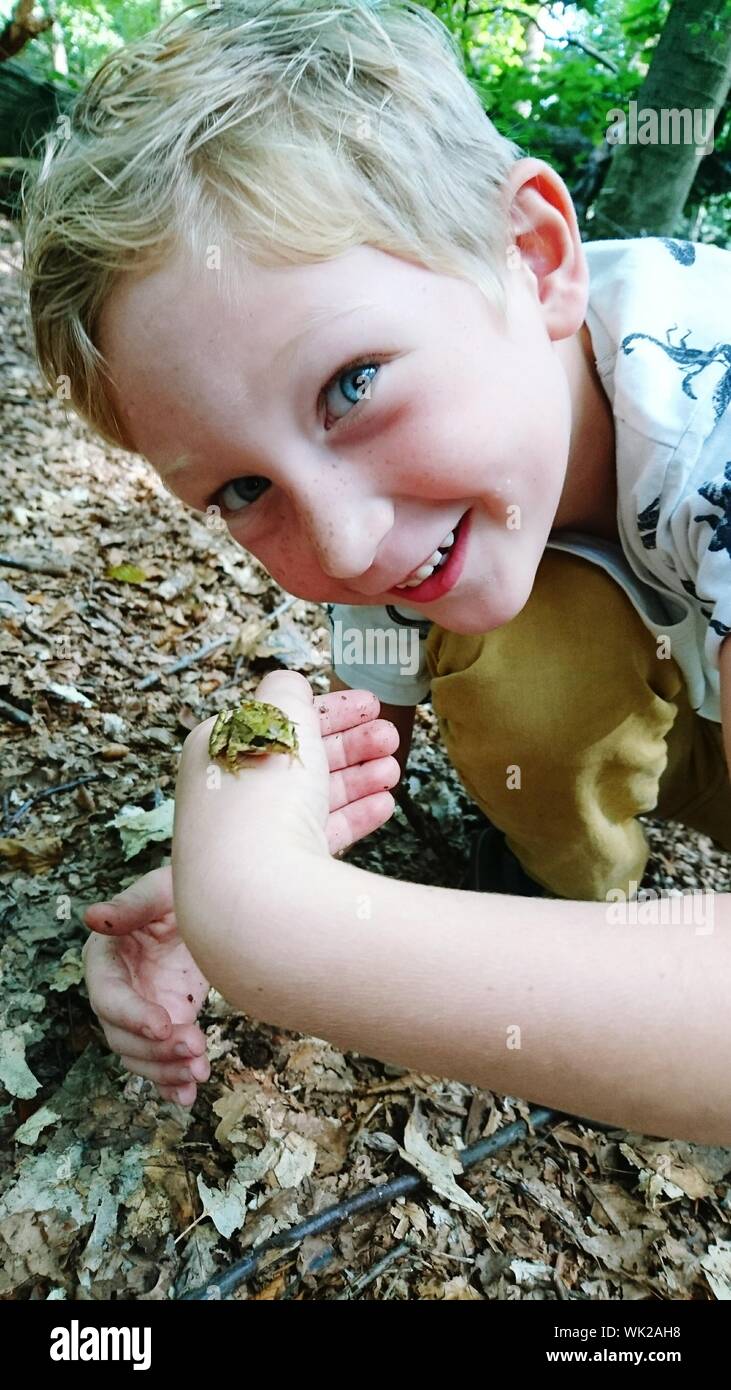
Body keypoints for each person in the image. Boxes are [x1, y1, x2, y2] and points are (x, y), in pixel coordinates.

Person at [21, 1, 731, 1141]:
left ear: (534, 256)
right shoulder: (435, 508)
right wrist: (212, 877)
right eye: (243, 490)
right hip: (680, 683)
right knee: (498, 639)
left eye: (350, 385)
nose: (344, 546)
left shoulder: (715, 406)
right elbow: (361, 710)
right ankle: (578, 915)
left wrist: (277, 925)